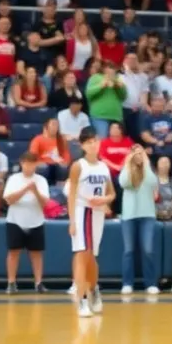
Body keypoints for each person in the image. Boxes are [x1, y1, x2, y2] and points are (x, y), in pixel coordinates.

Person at [68, 127, 116, 318]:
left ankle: (94, 288)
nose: (92, 144)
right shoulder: (78, 166)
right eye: (88, 142)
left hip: (97, 214)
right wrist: (72, 221)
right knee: (82, 254)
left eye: (95, 141)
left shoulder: (104, 167)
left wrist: (104, 201)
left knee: (92, 258)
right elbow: (71, 195)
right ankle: (82, 299)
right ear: (82, 145)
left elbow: (112, 193)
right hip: (82, 211)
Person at [3, 152, 51, 294]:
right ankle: (11, 282)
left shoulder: (41, 180)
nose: (29, 166)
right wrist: (25, 189)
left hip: (35, 220)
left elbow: (44, 203)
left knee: (36, 253)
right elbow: (9, 200)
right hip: (15, 220)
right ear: (21, 163)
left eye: (32, 163)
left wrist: (35, 191)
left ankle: (38, 283)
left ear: (36, 164)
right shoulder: (13, 179)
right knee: (13, 252)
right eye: (26, 163)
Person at [118, 145, 161, 294]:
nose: (138, 157)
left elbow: (152, 182)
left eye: (140, 154)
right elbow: (124, 182)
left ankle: (150, 283)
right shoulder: (126, 170)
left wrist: (146, 162)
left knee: (148, 250)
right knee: (128, 250)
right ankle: (127, 283)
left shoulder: (148, 171)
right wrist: (128, 163)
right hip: (128, 215)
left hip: (147, 215)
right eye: (135, 154)